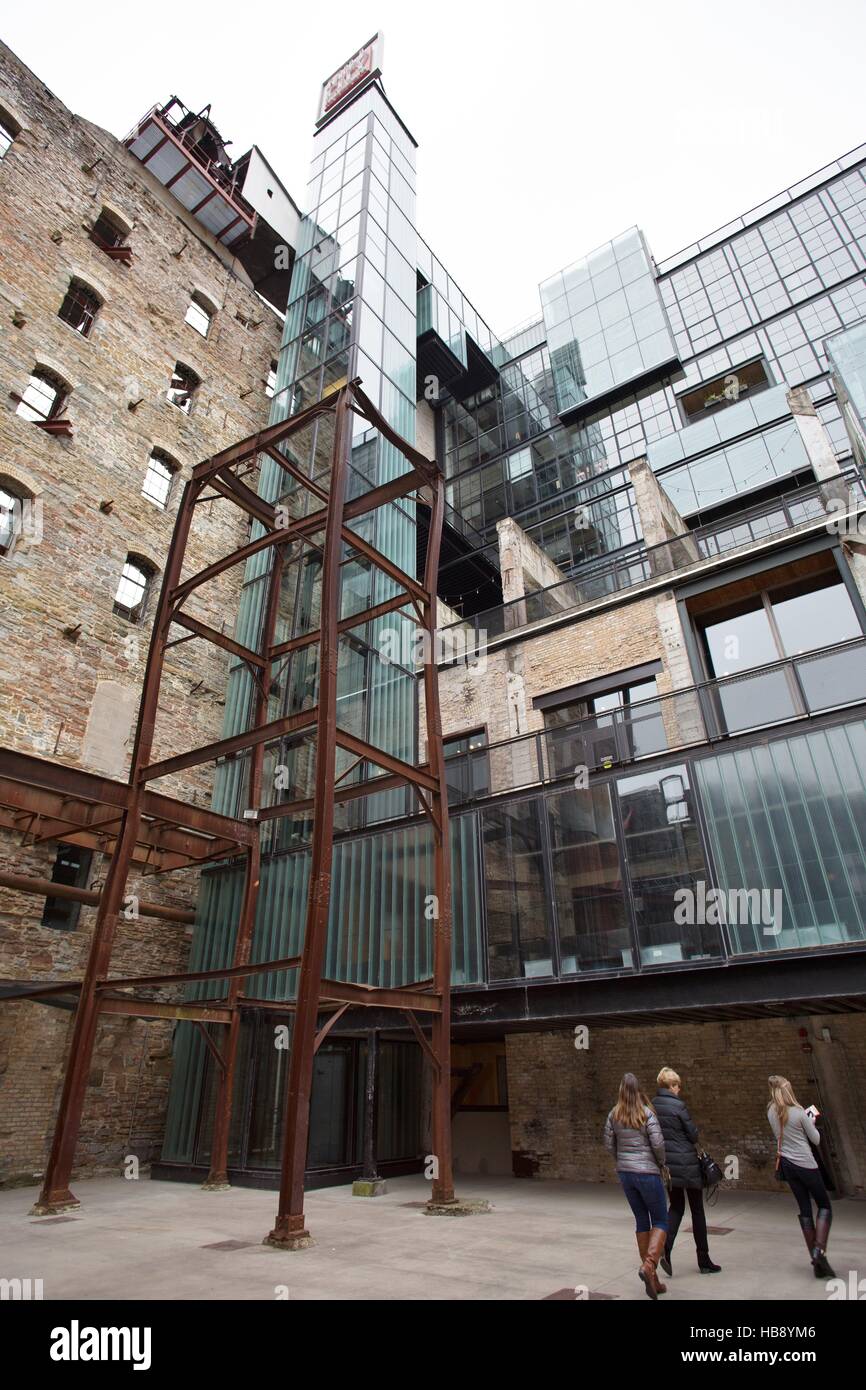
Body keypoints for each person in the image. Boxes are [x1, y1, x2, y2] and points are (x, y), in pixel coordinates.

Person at [603, 1072, 668, 1299]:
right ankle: (649, 1265)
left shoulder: (614, 1114)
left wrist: (622, 1160)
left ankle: (653, 1278)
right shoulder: (647, 1113)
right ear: (638, 1090)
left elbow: (608, 1144)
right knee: (660, 1219)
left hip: (626, 1174)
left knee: (642, 1219)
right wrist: (661, 1163)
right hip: (648, 1173)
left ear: (621, 1090)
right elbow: (658, 1144)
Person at [652, 1067, 721, 1276]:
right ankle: (704, 1259)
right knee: (697, 1210)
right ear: (670, 1086)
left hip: (669, 1166)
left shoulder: (653, 1106)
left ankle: (666, 1248)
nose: (679, 1089)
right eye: (676, 1085)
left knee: (676, 1207)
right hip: (688, 1164)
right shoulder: (679, 1106)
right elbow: (692, 1135)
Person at [768, 1074, 835, 1278]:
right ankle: (819, 1251)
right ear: (788, 1091)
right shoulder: (798, 1113)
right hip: (806, 1164)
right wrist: (811, 1122)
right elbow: (815, 1139)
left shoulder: (771, 1111)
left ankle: (816, 1260)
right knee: (824, 1205)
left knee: (804, 1208)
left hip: (787, 1165)